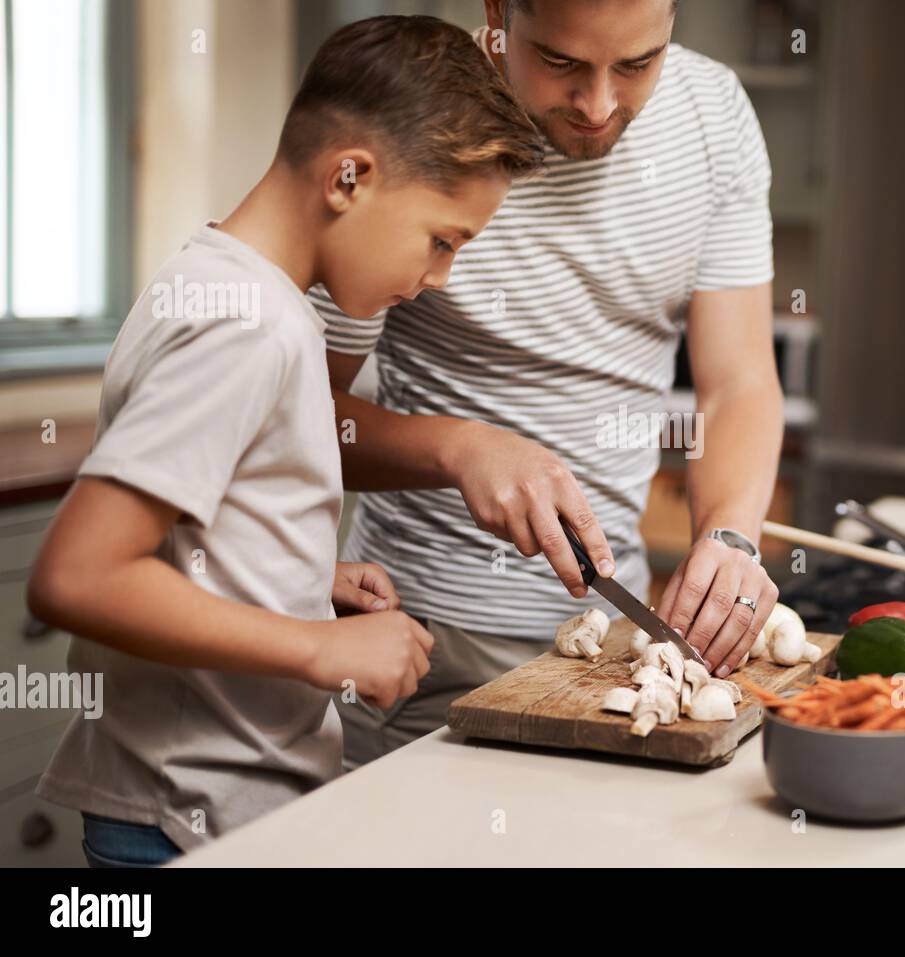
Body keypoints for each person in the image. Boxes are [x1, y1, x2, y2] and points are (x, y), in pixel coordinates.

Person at [27, 15, 545, 865]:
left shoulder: (224, 288)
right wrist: (318, 644)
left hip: (207, 802)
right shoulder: (250, 324)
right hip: (186, 815)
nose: (438, 276)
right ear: (349, 177)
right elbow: (78, 576)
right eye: (442, 240)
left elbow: (181, 532)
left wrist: (296, 578)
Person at [313, 0, 785, 767]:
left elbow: (737, 386)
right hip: (415, 642)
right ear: (498, 12)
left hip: (616, 653)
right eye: (562, 62)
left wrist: (730, 537)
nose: (599, 107)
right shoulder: (407, 113)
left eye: (637, 64)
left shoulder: (714, 117)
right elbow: (292, 420)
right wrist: (458, 448)